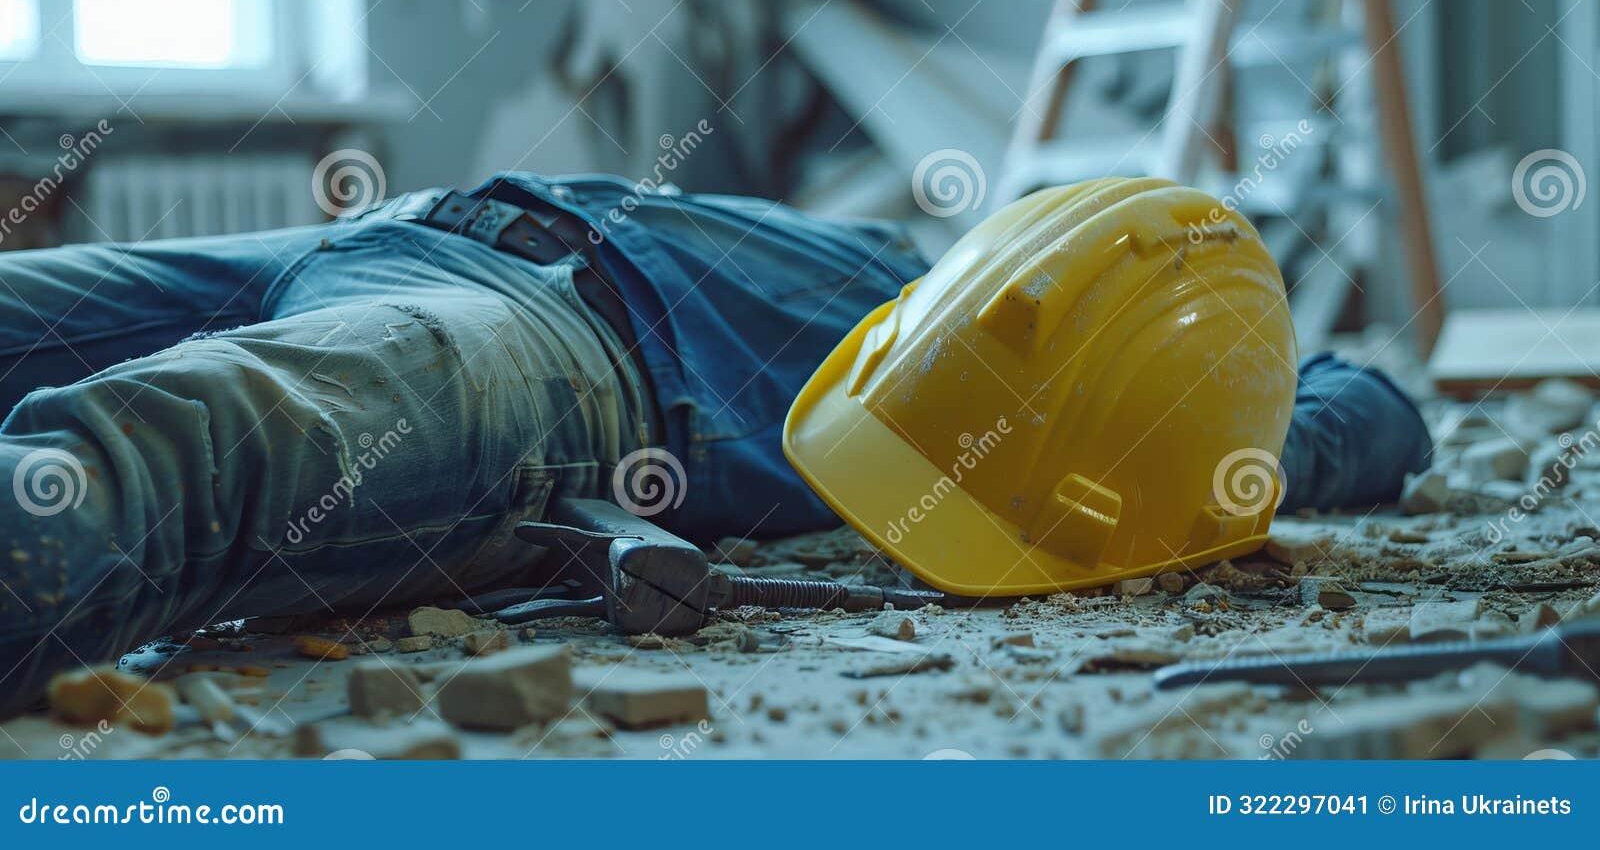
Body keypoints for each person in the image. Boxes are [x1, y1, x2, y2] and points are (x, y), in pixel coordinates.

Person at [0, 172, 1430, 716]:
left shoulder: (1104, 428)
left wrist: (1243, 473)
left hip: (577, 360)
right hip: (392, 229)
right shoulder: (944, 276)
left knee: (174, 456)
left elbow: (1379, 406)